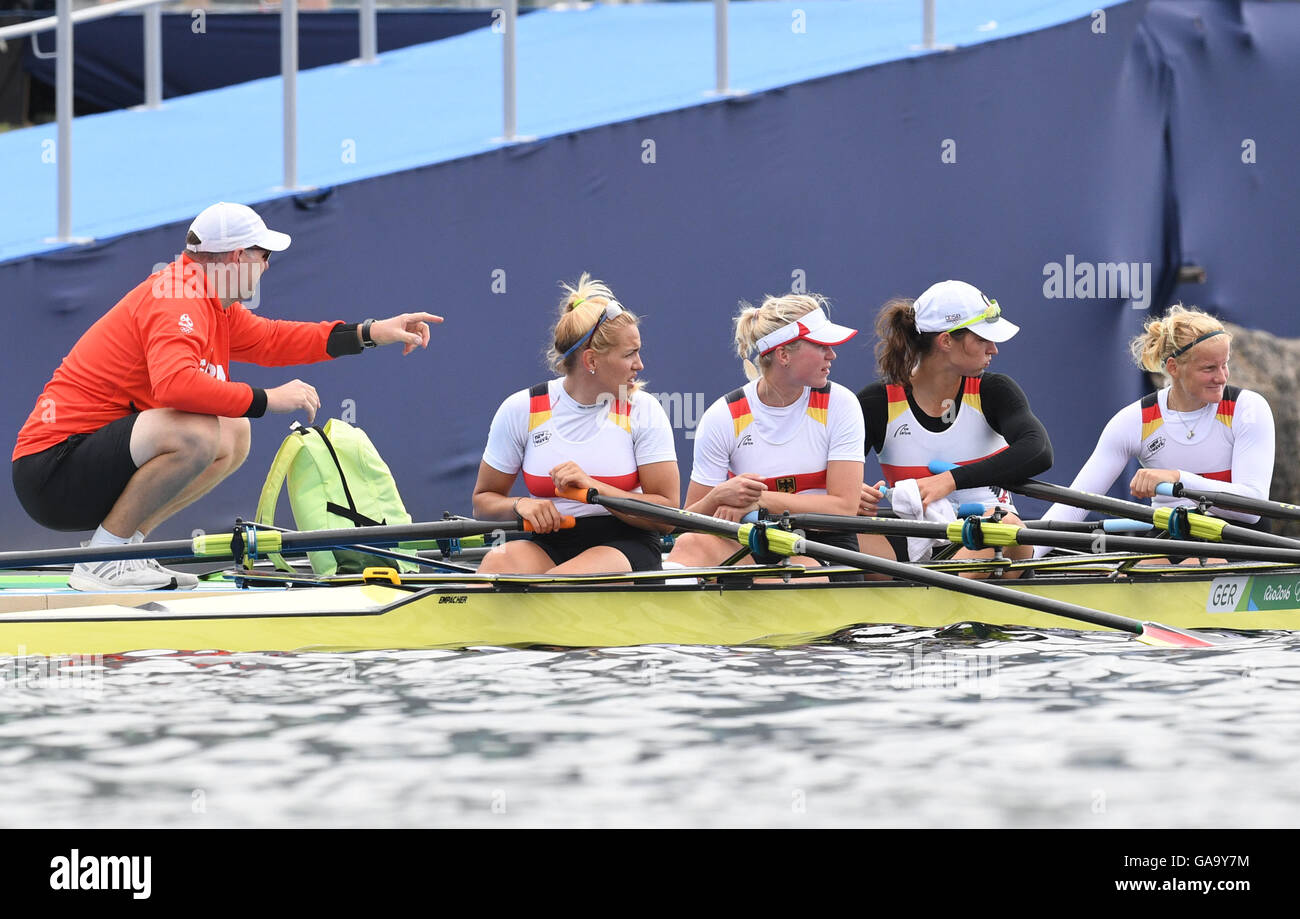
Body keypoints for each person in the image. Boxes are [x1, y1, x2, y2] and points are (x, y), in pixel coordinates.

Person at [12, 201, 442, 591]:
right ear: (238, 257)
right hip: (52, 472)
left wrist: (370, 332)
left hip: (88, 471)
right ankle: (103, 561)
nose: (268, 267)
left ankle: (123, 552)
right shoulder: (176, 295)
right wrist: (267, 399)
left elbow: (276, 340)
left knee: (233, 431)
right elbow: (174, 385)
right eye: (264, 255)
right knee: (197, 428)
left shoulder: (208, 300)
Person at [472, 273, 680, 575]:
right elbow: (482, 503)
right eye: (630, 354)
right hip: (550, 543)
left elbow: (666, 516)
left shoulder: (642, 409)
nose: (640, 364)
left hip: (627, 543)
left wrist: (595, 488)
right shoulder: (522, 409)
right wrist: (520, 505)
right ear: (592, 361)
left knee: (558, 585)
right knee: (497, 565)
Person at [1036, 304, 1274, 548]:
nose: (1222, 377)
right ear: (1173, 367)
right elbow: (1074, 505)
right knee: (1123, 579)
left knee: (1188, 564)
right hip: (1172, 535)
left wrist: (1177, 478)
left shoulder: (1247, 408)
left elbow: (1251, 509)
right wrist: (1027, 556)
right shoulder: (1134, 421)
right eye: (1209, 368)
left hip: (1239, 536)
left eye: (1224, 364)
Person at [664, 293, 866, 580]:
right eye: (821, 346)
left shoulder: (840, 404)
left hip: (824, 546)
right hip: (751, 543)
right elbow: (691, 521)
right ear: (784, 355)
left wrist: (759, 502)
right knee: (689, 545)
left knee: (800, 572)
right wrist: (717, 497)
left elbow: (844, 509)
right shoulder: (724, 416)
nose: (831, 354)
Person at [857, 280, 1053, 568]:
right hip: (916, 538)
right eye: (982, 338)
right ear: (946, 341)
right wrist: (851, 492)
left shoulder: (993, 391)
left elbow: (1038, 450)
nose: (994, 349)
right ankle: (935, 599)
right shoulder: (878, 403)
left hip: (993, 540)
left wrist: (948, 481)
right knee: (845, 528)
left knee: (1003, 526)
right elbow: (829, 475)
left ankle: (932, 603)